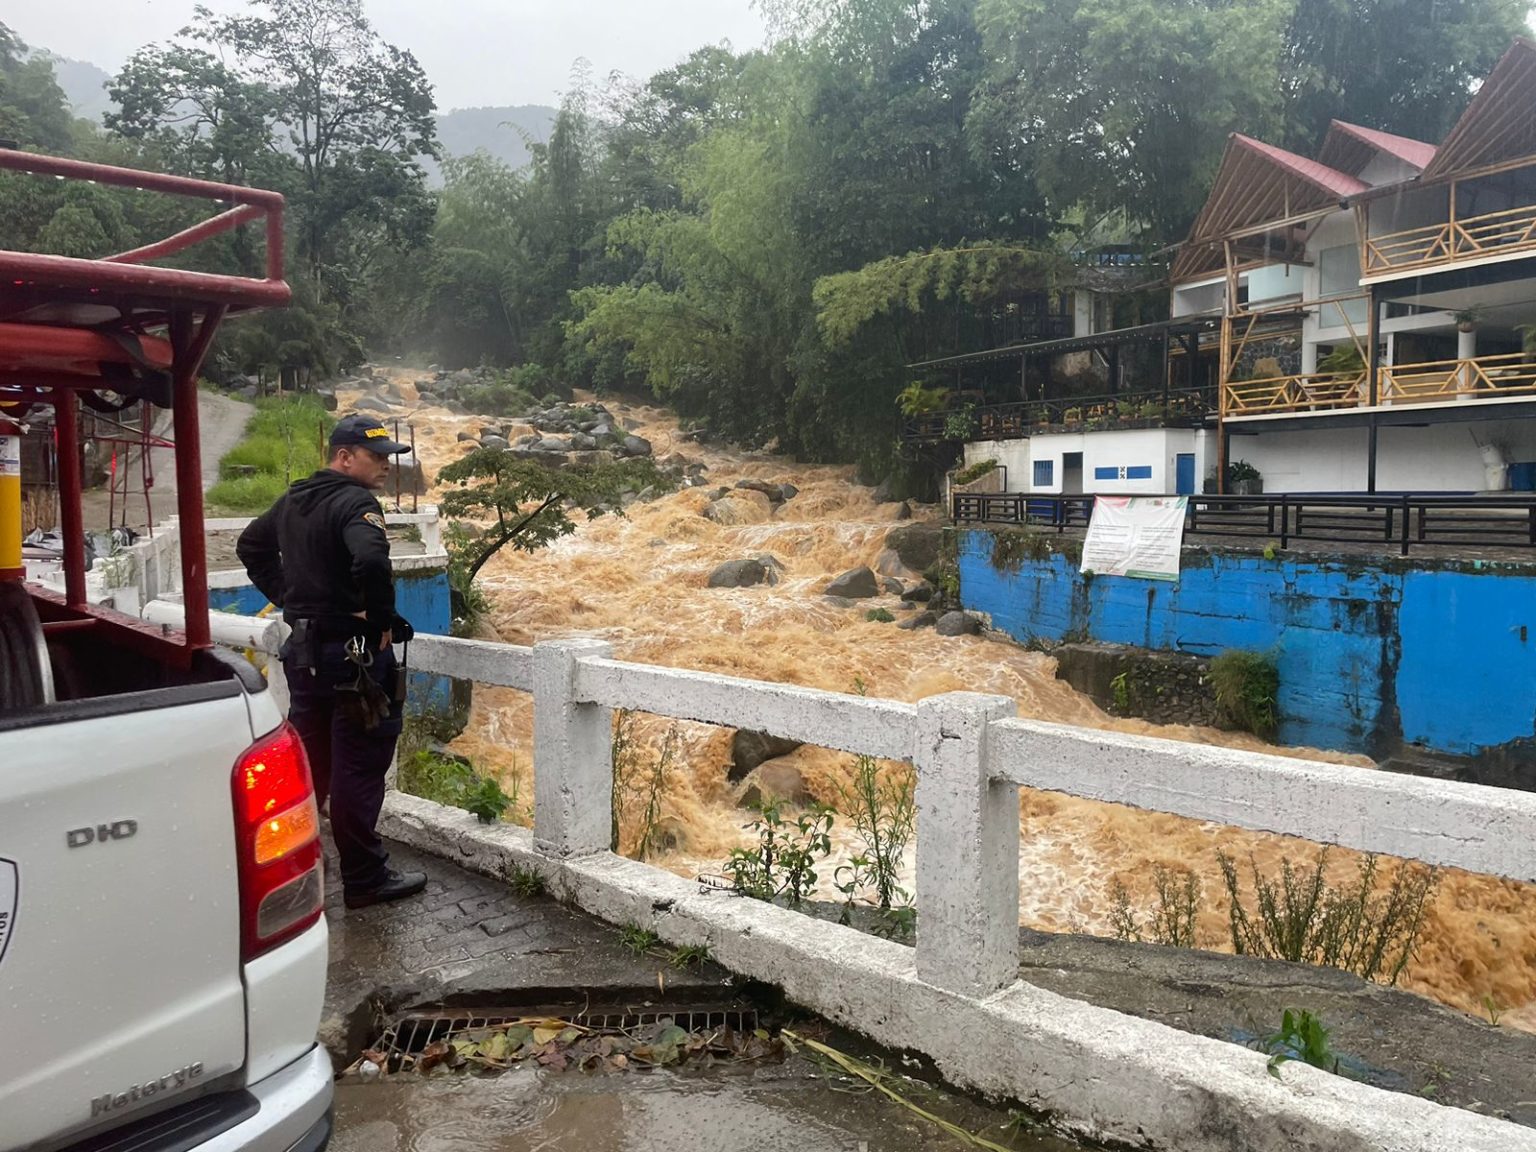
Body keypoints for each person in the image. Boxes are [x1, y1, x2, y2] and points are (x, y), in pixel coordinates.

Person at [237, 413, 427, 909]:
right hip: (354, 657)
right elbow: (370, 560)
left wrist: (292, 601)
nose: (386, 465)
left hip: (304, 654)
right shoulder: (355, 502)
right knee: (359, 764)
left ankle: (296, 869)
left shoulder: (297, 498)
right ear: (344, 457)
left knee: (311, 764)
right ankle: (365, 878)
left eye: (389, 457)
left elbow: (250, 546)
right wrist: (380, 618)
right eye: (376, 456)